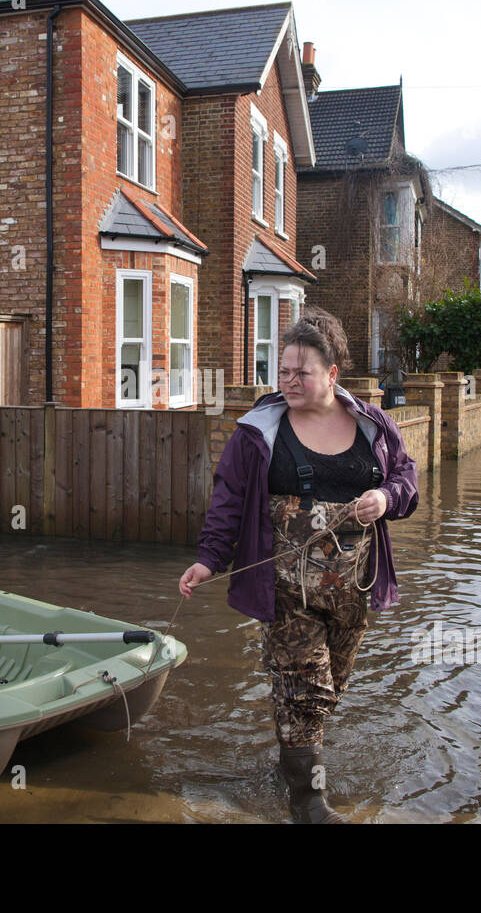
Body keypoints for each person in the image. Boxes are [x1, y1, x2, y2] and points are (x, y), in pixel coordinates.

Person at [178, 307, 419, 823]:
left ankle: (292, 756)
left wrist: (385, 497)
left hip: (355, 589)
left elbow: (407, 480)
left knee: (327, 692)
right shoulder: (257, 432)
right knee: (303, 689)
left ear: (332, 374)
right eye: (281, 370)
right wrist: (208, 560)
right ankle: (308, 804)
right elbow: (228, 500)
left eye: (301, 372)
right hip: (286, 592)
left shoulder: (373, 426)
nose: (288, 380)